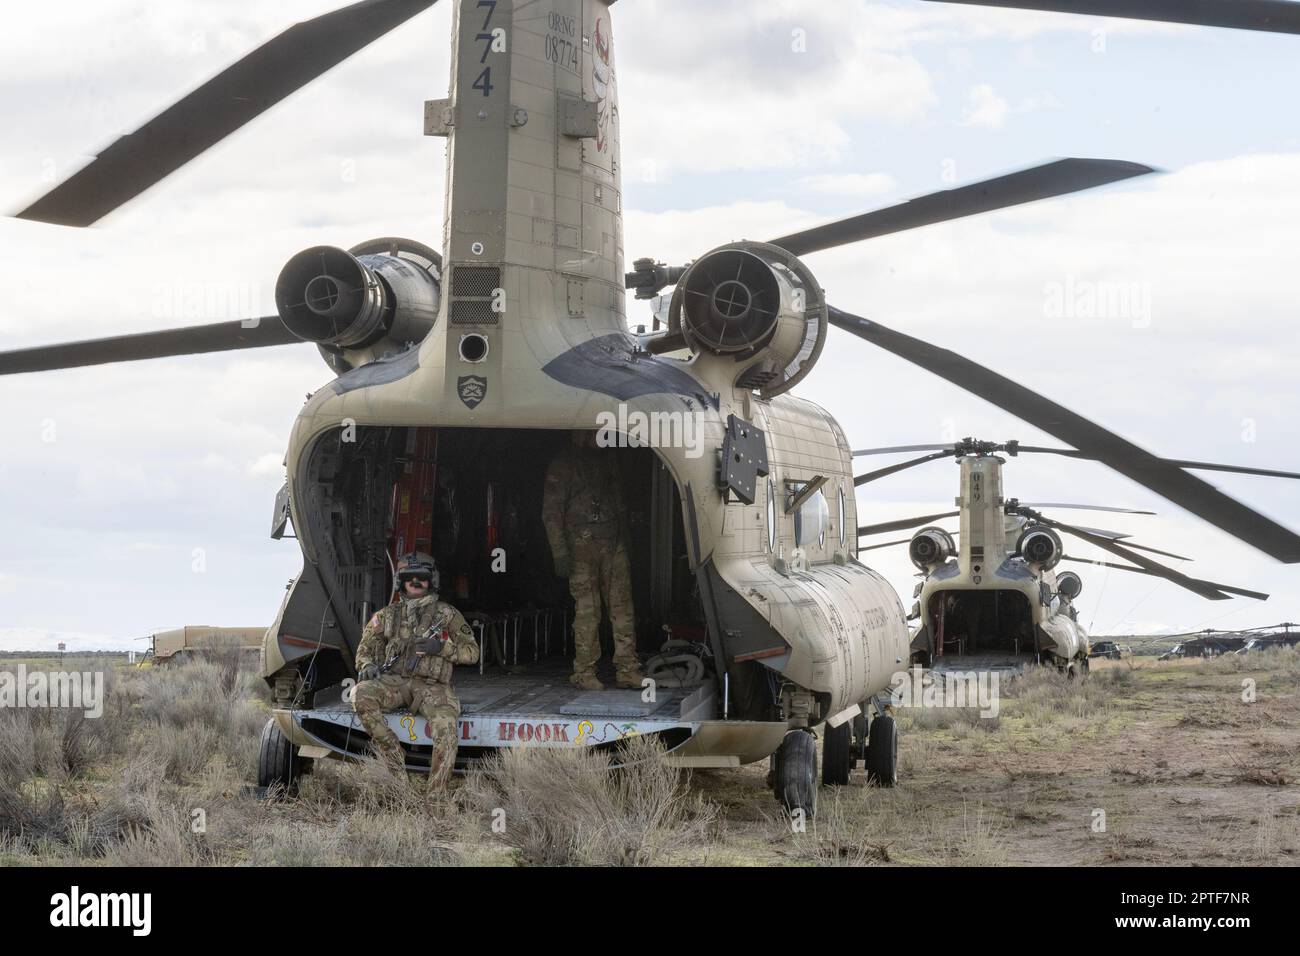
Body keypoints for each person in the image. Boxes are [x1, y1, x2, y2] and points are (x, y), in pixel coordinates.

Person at [352, 552, 478, 792]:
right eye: (409, 578)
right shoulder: (387, 615)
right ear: (402, 582)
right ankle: (394, 760)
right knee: (360, 694)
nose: (416, 582)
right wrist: (367, 666)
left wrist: (441, 648)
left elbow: (472, 653)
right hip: (395, 682)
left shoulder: (447, 615)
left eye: (422, 577)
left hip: (433, 687)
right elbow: (364, 649)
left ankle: (436, 797)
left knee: (446, 728)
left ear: (432, 581)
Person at [542, 431, 643, 691]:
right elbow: (551, 512)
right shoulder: (563, 464)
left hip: (612, 542)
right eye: (595, 432)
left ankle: (627, 669)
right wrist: (560, 552)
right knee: (588, 612)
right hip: (581, 548)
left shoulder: (608, 460)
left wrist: (627, 539)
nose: (602, 437)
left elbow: (619, 501)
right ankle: (584, 671)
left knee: (623, 608)